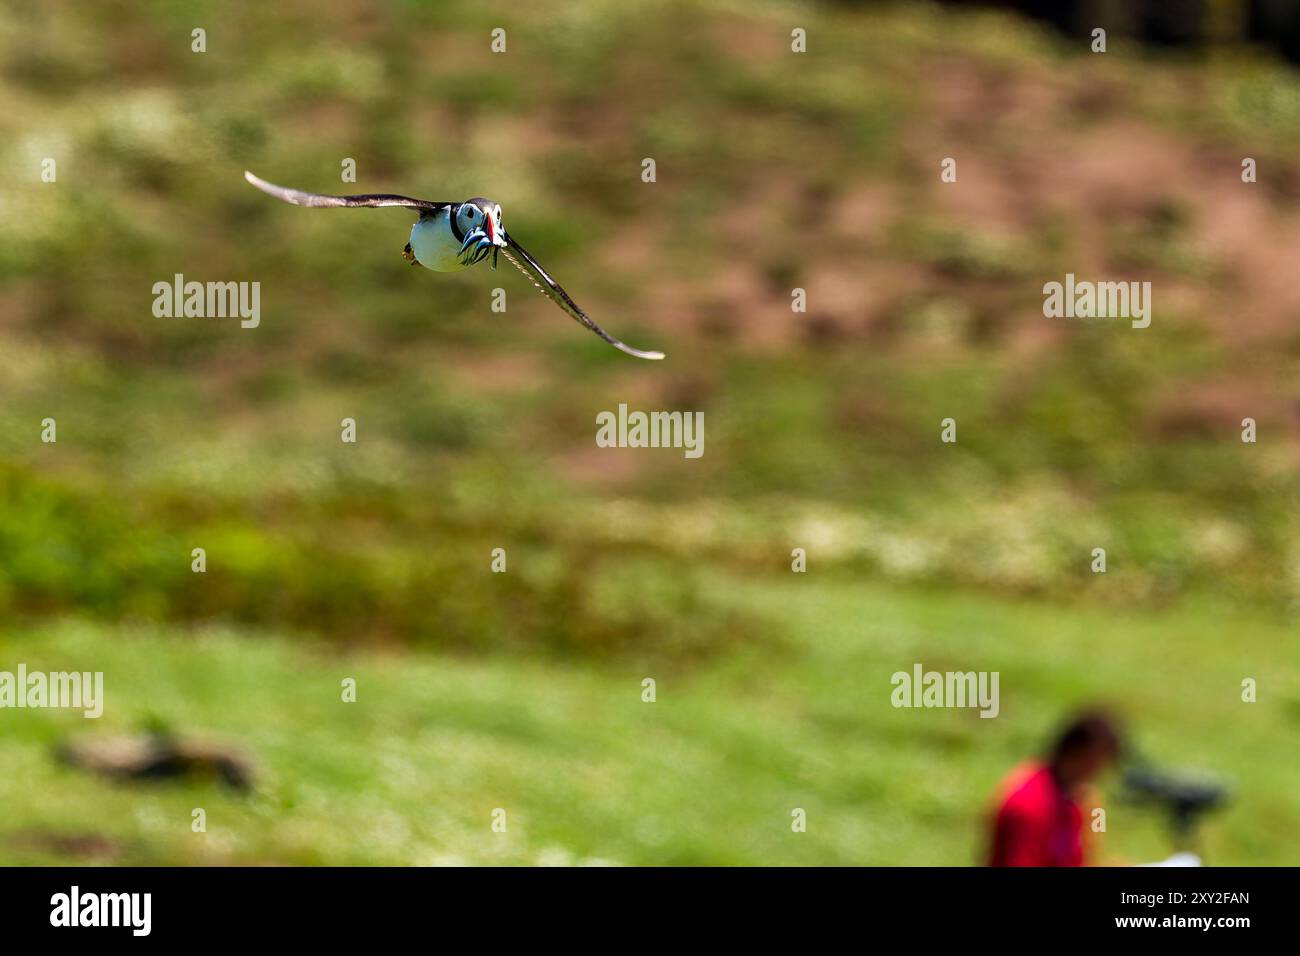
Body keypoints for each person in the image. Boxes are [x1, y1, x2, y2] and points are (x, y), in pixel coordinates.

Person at [987, 710, 1122, 866]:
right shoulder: (1029, 803)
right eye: (1096, 762)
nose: (1099, 771)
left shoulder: (1079, 797)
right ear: (1075, 752)